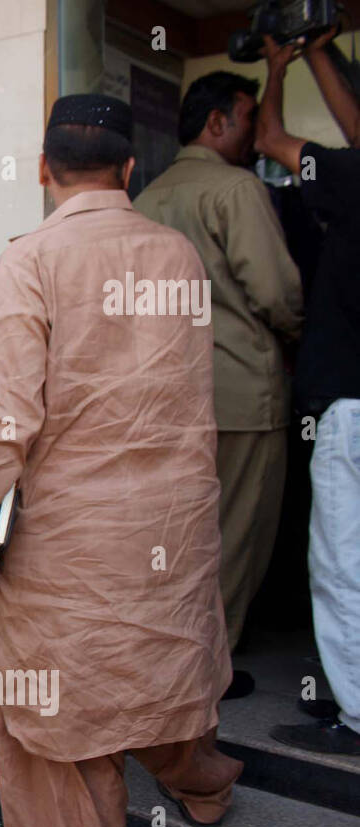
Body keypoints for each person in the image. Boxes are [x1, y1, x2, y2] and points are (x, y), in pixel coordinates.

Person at [0, 94, 243, 827]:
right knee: (161, 669)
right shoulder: (178, 256)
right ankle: (203, 783)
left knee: (55, 721)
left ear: (44, 168)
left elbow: (5, 415)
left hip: (70, 543)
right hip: (173, 528)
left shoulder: (33, 257)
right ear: (131, 169)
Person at [134, 72, 304, 698]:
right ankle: (210, 663)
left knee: (176, 535)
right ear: (215, 124)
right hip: (240, 394)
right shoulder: (237, 189)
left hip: (165, 397)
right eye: (248, 117)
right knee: (234, 535)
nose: (258, 133)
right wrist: (303, 332)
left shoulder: (147, 198)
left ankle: (170, 651)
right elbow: (277, 293)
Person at [256, 30, 360, 755]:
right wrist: (324, 53)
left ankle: (358, 717)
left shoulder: (354, 177)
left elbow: (267, 136)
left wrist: (279, 64)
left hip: (350, 409)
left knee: (343, 567)